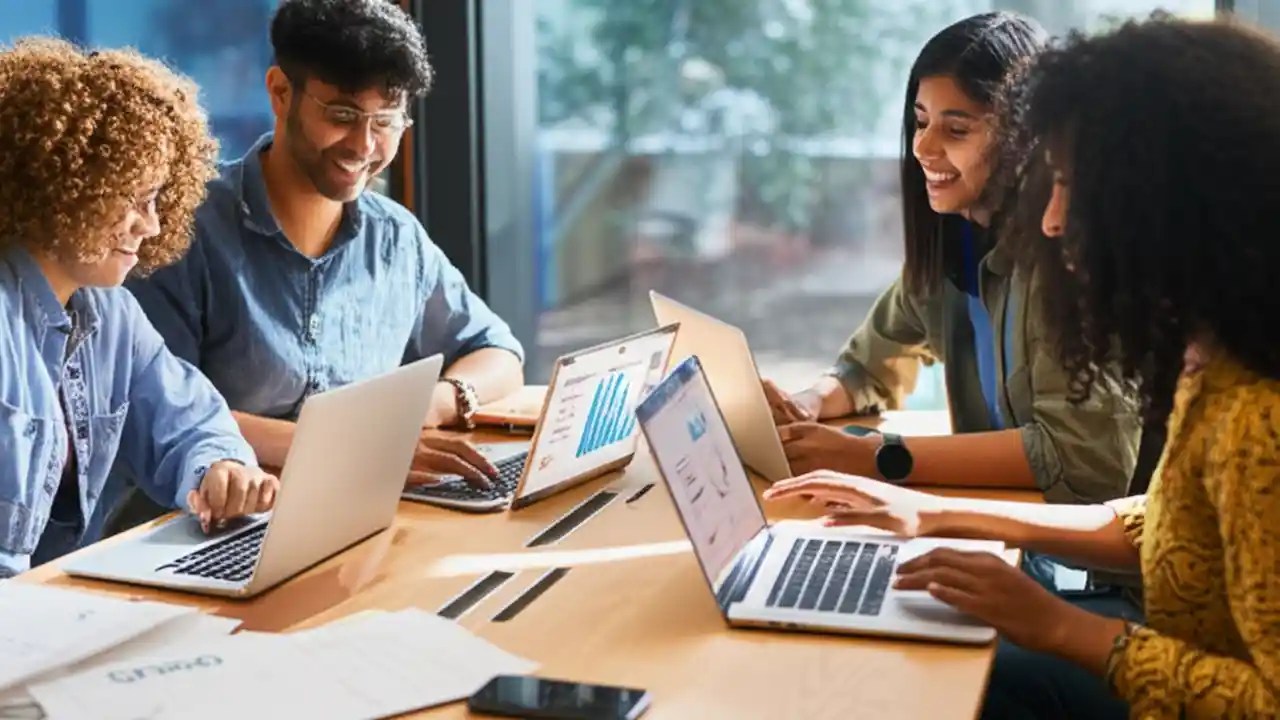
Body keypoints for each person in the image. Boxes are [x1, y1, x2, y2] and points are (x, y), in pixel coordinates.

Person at [766, 15, 1280, 719]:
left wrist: (1061, 628)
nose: (1052, 219)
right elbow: (1167, 525)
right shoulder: (1214, 363)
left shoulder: (1259, 423)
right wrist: (938, 512)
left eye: (1071, 185)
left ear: (1170, 205)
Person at [105, 0, 526, 533]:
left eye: (386, 122)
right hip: (201, 524)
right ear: (281, 93)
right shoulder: (183, 230)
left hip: (352, 514)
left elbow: (500, 353)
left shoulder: (395, 238)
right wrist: (363, 447)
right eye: (342, 116)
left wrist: (437, 404)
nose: (364, 146)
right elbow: (158, 411)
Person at [762, 12, 1148, 505]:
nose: (922, 146)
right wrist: (806, 404)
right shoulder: (957, 239)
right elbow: (868, 367)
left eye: (956, 129)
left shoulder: (1066, 257)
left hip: (1101, 568)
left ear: (1024, 138)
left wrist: (878, 458)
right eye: (920, 122)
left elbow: (1083, 460)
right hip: (1007, 531)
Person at [0, 39, 278, 578]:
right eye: (135, 199)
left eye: (158, 201)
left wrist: (221, 467)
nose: (151, 226)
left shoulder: (114, 317)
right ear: (64, 187)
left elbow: (192, 421)